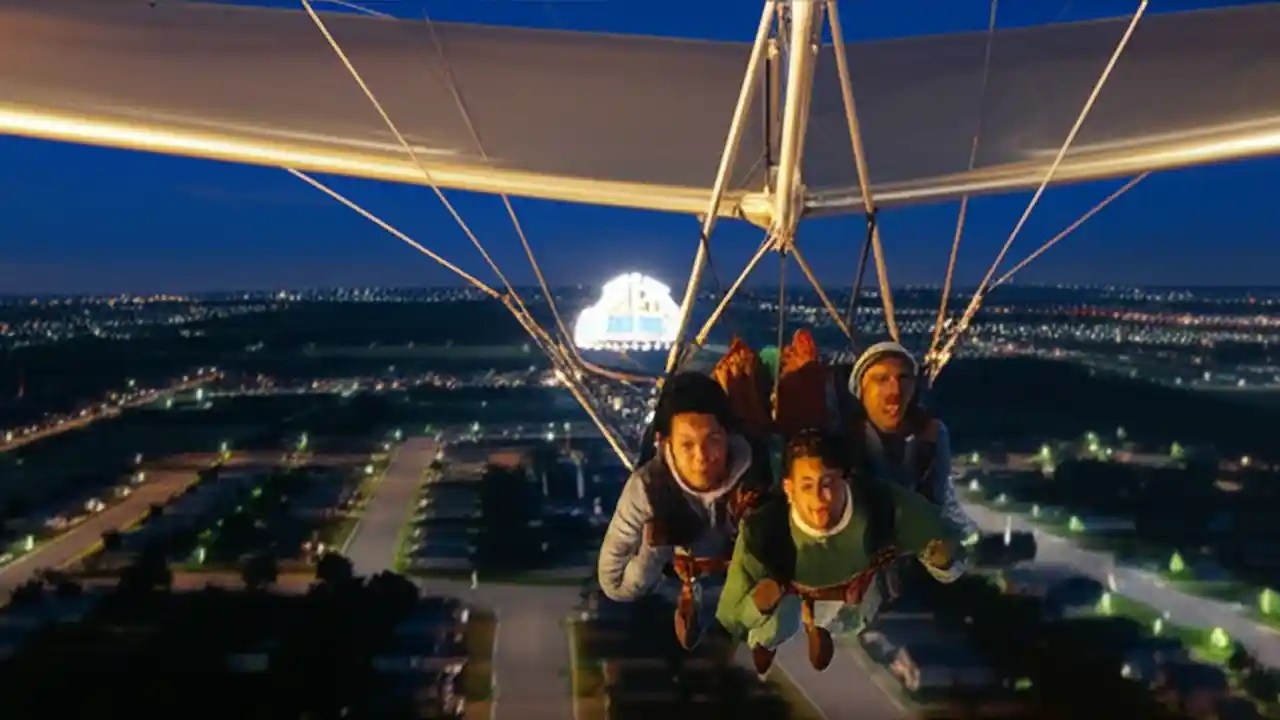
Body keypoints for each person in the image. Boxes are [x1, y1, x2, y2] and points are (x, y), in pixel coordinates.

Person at [716, 429, 964, 677]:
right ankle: (767, 642)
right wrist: (757, 605)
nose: (818, 498)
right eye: (806, 485)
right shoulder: (761, 531)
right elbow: (729, 615)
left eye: (828, 483)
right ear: (789, 489)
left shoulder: (886, 508)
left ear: (847, 480)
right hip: (787, 603)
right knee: (777, 623)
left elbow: (952, 550)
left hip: (857, 606)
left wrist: (943, 561)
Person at [597, 370, 770, 650]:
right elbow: (613, 583)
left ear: (728, 435)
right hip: (679, 576)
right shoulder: (649, 488)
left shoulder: (758, 476)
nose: (701, 457)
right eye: (687, 444)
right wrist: (654, 550)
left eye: (712, 440)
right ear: (666, 444)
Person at [840, 340, 980, 623]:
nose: (894, 390)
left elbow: (943, 506)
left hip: (899, 583)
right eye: (881, 379)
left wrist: (947, 560)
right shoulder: (840, 443)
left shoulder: (930, 438)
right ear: (861, 391)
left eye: (903, 378)